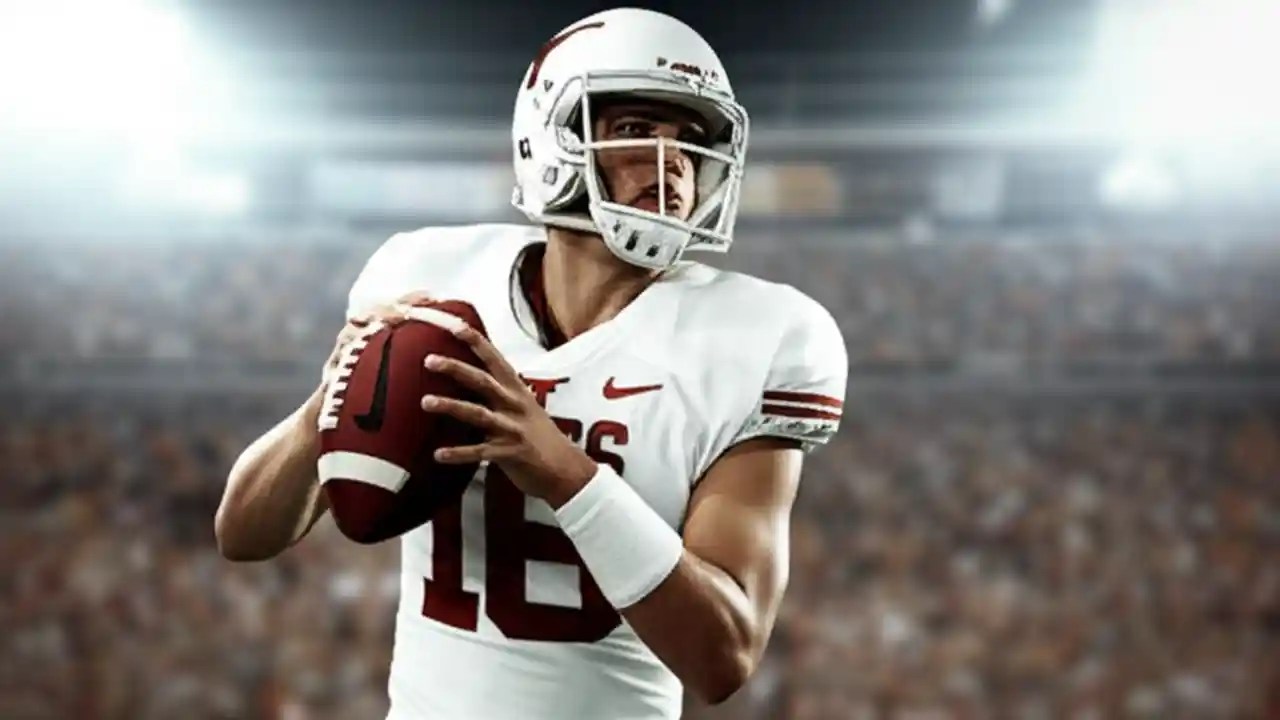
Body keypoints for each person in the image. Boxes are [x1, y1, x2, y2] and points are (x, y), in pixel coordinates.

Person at [215, 7, 847, 719]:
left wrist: (562, 471)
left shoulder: (757, 336)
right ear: (551, 138)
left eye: (691, 140)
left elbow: (724, 656)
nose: (672, 163)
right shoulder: (430, 281)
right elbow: (242, 534)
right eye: (636, 130)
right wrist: (321, 410)